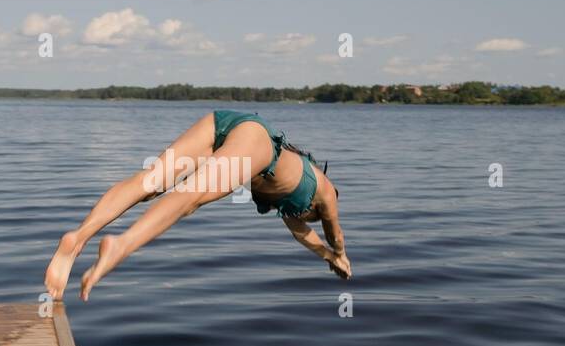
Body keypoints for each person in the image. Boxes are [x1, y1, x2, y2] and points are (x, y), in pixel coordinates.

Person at [44, 110, 350, 301]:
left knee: (151, 182)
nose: (305, 220)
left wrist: (324, 255)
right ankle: (120, 246)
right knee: (190, 196)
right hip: (257, 142)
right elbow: (334, 231)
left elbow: (301, 233)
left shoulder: (290, 206)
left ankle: (79, 236)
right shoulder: (326, 191)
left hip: (226, 122)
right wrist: (339, 255)